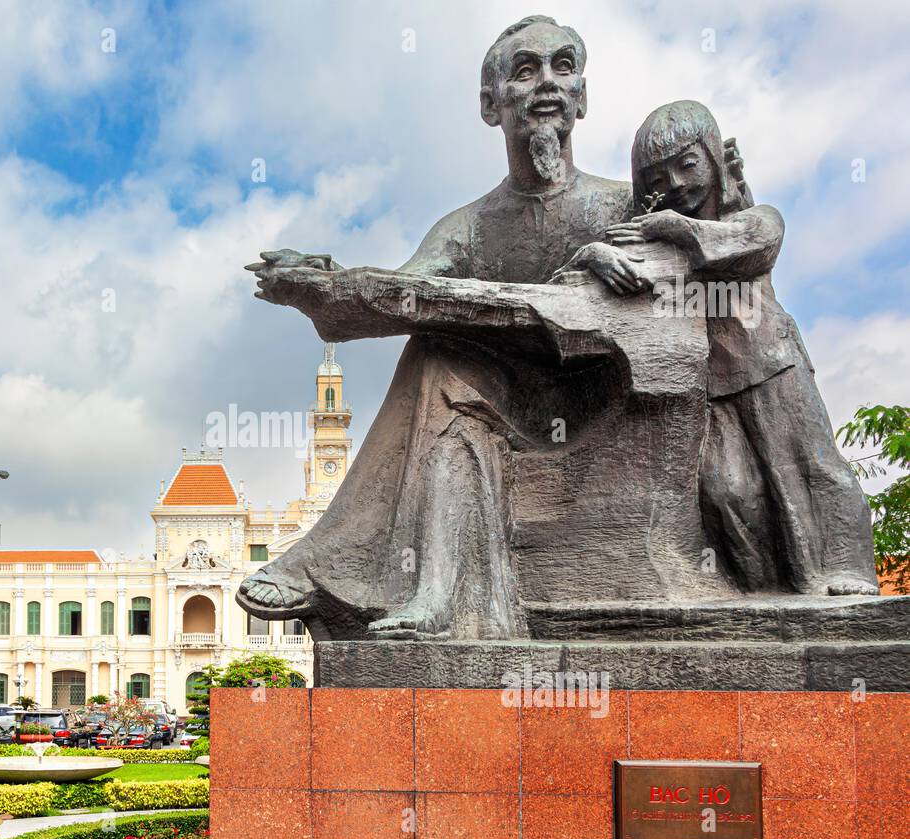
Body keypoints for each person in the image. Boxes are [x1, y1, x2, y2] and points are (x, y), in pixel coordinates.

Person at [238, 16, 646, 639]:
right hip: (495, 408)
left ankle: (341, 566)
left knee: (443, 365)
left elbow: (697, 275)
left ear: (582, 95)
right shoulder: (469, 226)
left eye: (563, 68)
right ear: (491, 104)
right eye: (525, 71)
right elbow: (401, 295)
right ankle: (439, 599)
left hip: (603, 400)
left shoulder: (626, 204)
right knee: (438, 360)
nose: (547, 85)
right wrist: (331, 284)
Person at [603, 100, 877, 595]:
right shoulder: (652, 239)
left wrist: (677, 230)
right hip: (705, 378)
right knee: (727, 490)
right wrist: (598, 254)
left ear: (713, 157)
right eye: (659, 177)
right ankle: (760, 588)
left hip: (772, 362)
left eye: (687, 164)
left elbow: (754, 245)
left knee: (812, 465)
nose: (678, 184)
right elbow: (610, 278)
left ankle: (847, 568)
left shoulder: (754, 219)